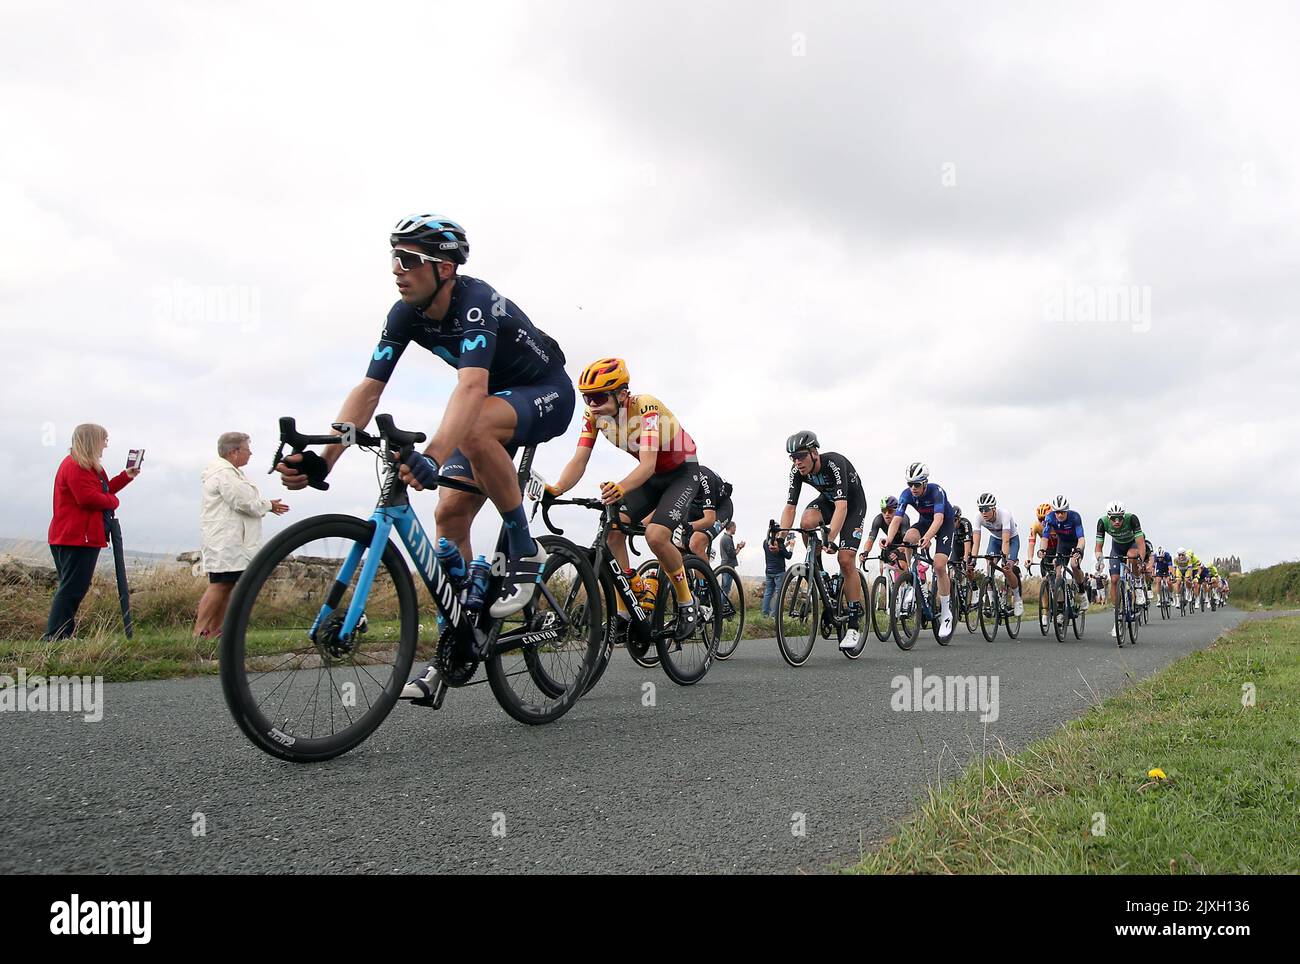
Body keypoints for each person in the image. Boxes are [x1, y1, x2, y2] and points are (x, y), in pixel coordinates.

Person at [549, 358, 704, 639]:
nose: (592, 404)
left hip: (682, 472)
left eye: (598, 396)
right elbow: (579, 460)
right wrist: (557, 488)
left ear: (621, 394)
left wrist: (620, 487)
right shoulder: (593, 417)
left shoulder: (646, 407)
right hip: (652, 476)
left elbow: (646, 465)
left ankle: (686, 602)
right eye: (587, 397)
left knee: (656, 536)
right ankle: (625, 608)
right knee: (613, 530)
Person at [44, 423, 139, 640]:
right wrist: (114, 502)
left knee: (72, 587)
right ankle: (56, 636)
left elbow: (102, 489)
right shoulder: (76, 466)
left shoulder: (87, 466)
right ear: (92, 440)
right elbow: (87, 498)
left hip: (74, 535)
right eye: (103, 439)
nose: (106, 444)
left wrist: (126, 476)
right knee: (72, 589)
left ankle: (61, 634)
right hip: (76, 537)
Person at [778, 430, 869, 652]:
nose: (797, 462)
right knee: (807, 521)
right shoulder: (796, 471)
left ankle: (854, 621)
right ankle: (818, 571)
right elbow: (790, 506)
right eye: (793, 457)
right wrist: (780, 535)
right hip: (828, 502)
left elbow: (842, 506)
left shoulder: (834, 463)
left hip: (852, 506)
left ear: (814, 452)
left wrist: (830, 538)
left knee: (845, 559)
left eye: (801, 456)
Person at [195, 432, 289, 638]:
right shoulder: (224, 474)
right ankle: (199, 631)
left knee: (226, 585)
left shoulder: (230, 473)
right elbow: (243, 502)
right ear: (234, 452)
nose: (250, 453)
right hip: (227, 540)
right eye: (247, 449)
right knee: (220, 585)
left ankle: (213, 632)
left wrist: (266, 505)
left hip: (230, 540)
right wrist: (268, 505)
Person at [884, 462, 957, 637]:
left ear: (925, 483)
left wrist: (928, 537)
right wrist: (889, 539)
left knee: (939, 566)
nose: (913, 488)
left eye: (917, 484)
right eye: (910, 484)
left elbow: (938, 519)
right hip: (925, 522)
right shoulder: (906, 494)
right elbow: (896, 519)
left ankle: (946, 613)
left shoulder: (936, 491)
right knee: (908, 538)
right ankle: (911, 577)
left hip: (944, 524)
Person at [762, 533, 794, 617]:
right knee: (779, 593)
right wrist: (791, 547)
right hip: (779, 572)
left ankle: (765, 614)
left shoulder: (765, 542)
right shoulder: (779, 543)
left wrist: (785, 544)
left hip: (768, 571)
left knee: (768, 592)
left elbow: (778, 551)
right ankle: (774, 615)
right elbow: (788, 556)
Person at [717, 521, 744, 596]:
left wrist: (737, 548)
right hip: (728, 566)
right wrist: (739, 548)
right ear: (731, 527)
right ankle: (722, 606)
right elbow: (732, 554)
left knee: (724, 588)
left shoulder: (725, 538)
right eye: (734, 527)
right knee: (726, 588)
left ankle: (722, 605)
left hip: (726, 564)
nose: (735, 529)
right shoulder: (727, 539)